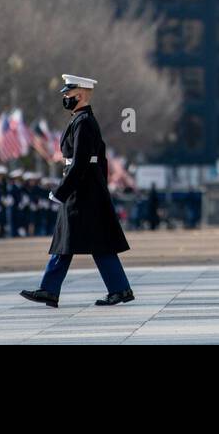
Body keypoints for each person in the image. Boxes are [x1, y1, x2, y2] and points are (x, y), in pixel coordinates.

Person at [21, 74, 135, 308]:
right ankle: (116, 289)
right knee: (82, 242)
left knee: (77, 242)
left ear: (80, 95)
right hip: (86, 191)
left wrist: (62, 191)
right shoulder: (81, 120)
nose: (65, 97)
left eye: (68, 94)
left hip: (82, 193)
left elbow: (81, 161)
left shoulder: (84, 122)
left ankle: (52, 290)